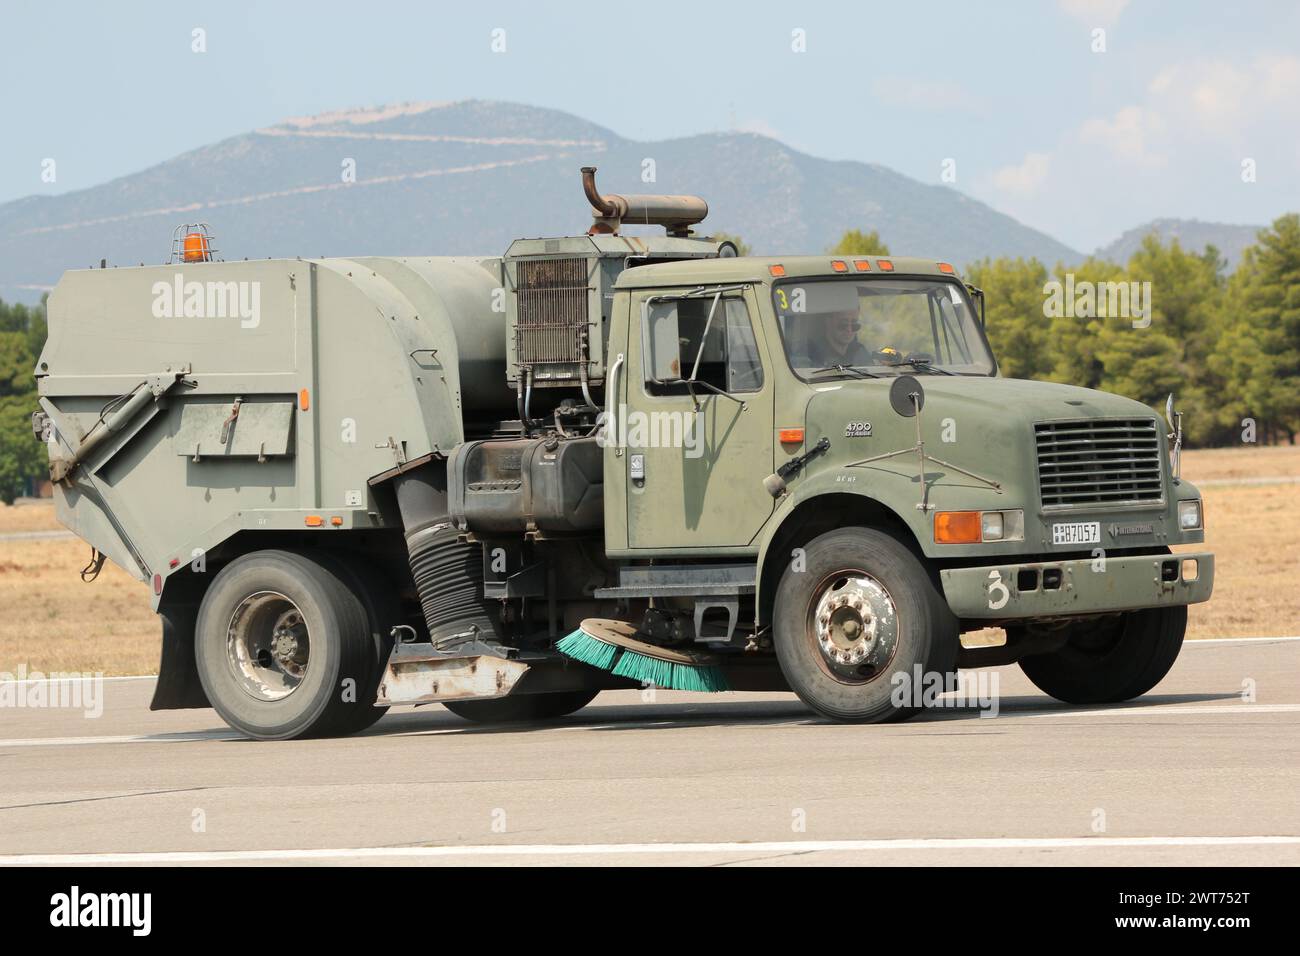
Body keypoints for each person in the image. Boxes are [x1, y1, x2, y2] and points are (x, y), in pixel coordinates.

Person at [805, 309, 872, 367]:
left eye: (854, 325)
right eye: (843, 323)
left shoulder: (860, 352)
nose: (849, 329)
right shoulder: (811, 354)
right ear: (828, 322)